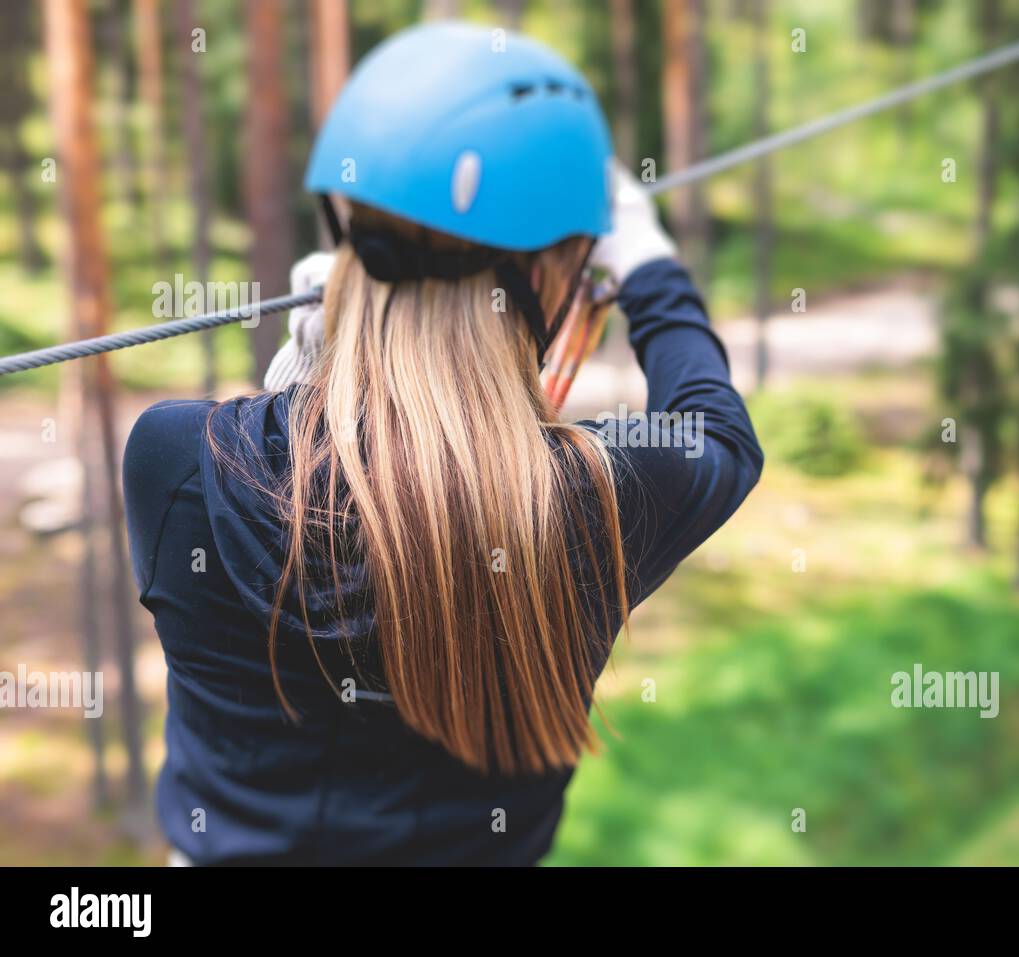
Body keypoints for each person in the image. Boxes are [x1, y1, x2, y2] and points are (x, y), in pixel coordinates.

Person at [123, 21, 762, 865]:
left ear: (344, 223)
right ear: (551, 274)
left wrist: (307, 382)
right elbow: (719, 430)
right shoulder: (595, 499)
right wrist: (648, 268)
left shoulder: (173, 462)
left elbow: (299, 520)